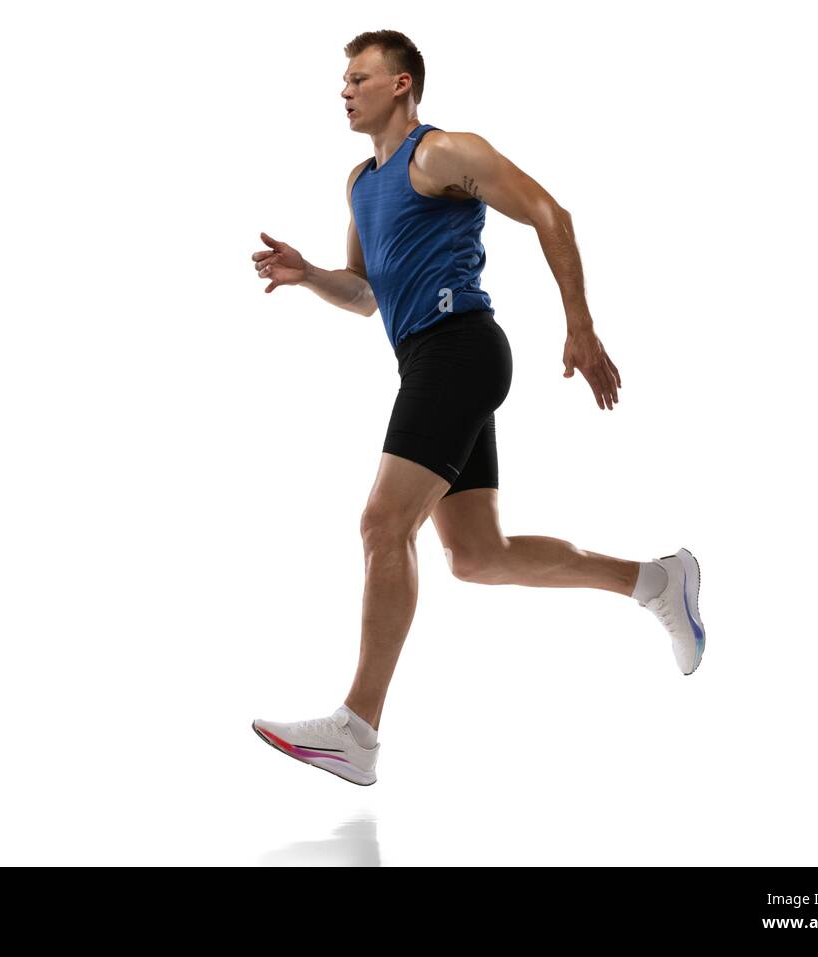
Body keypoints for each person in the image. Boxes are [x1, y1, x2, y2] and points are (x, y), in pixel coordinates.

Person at [249, 30, 704, 786]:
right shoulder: (361, 182)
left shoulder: (443, 153)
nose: (344, 89)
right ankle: (658, 581)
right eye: (343, 79)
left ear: (401, 84)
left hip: (460, 349)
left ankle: (357, 728)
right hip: (427, 360)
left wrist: (581, 327)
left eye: (358, 76)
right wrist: (308, 276)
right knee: (475, 556)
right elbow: (366, 296)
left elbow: (550, 213)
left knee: (382, 523)